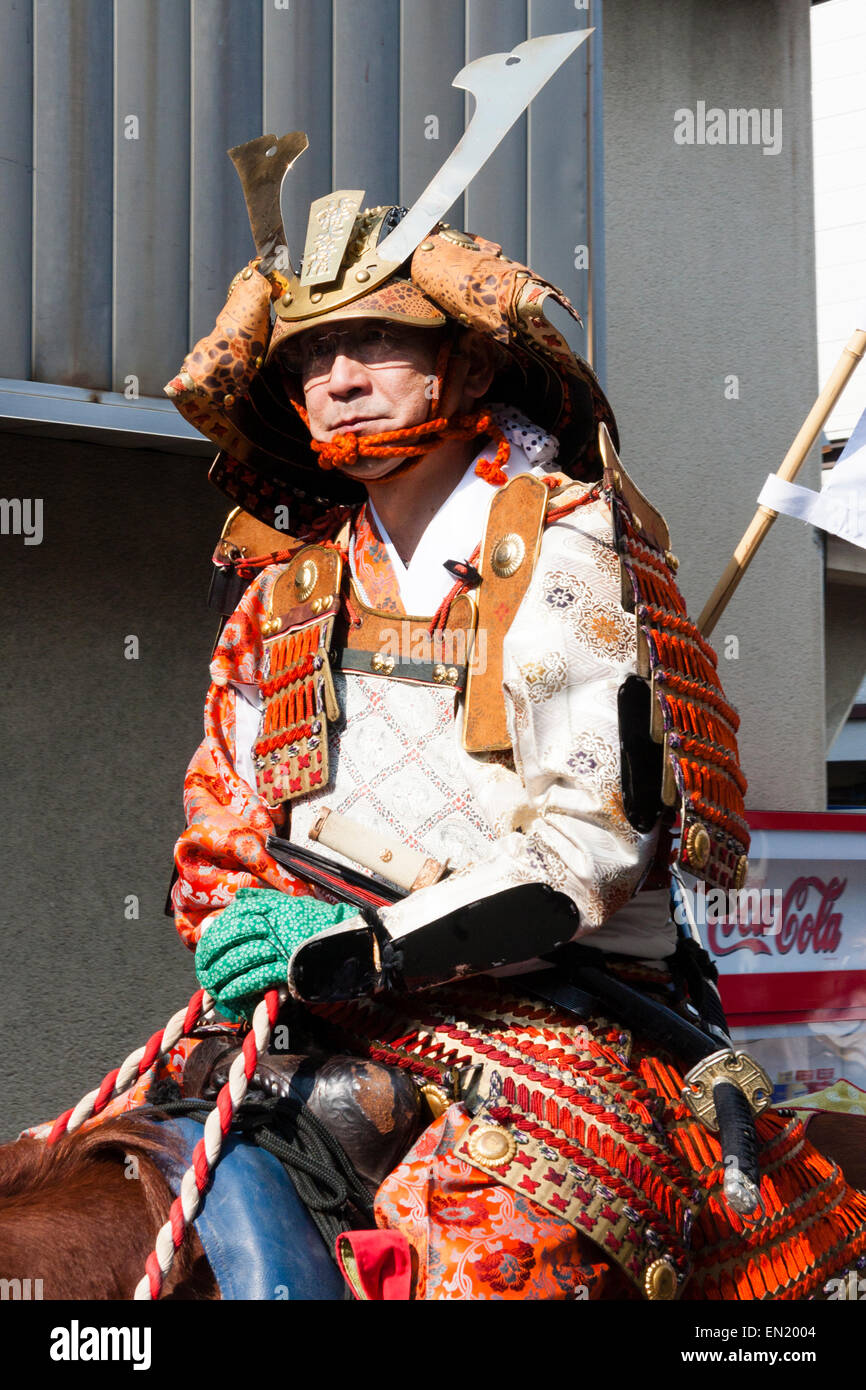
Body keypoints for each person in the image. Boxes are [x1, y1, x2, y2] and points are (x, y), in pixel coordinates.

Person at [161, 191, 866, 1301]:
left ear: (470, 370)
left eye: (373, 343)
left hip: (543, 1008)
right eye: (310, 357)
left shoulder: (559, 537)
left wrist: (362, 940)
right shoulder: (282, 586)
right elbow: (226, 818)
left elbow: (589, 844)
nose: (337, 377)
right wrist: (239, 926)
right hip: (311, 1009)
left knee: (490, 1260)